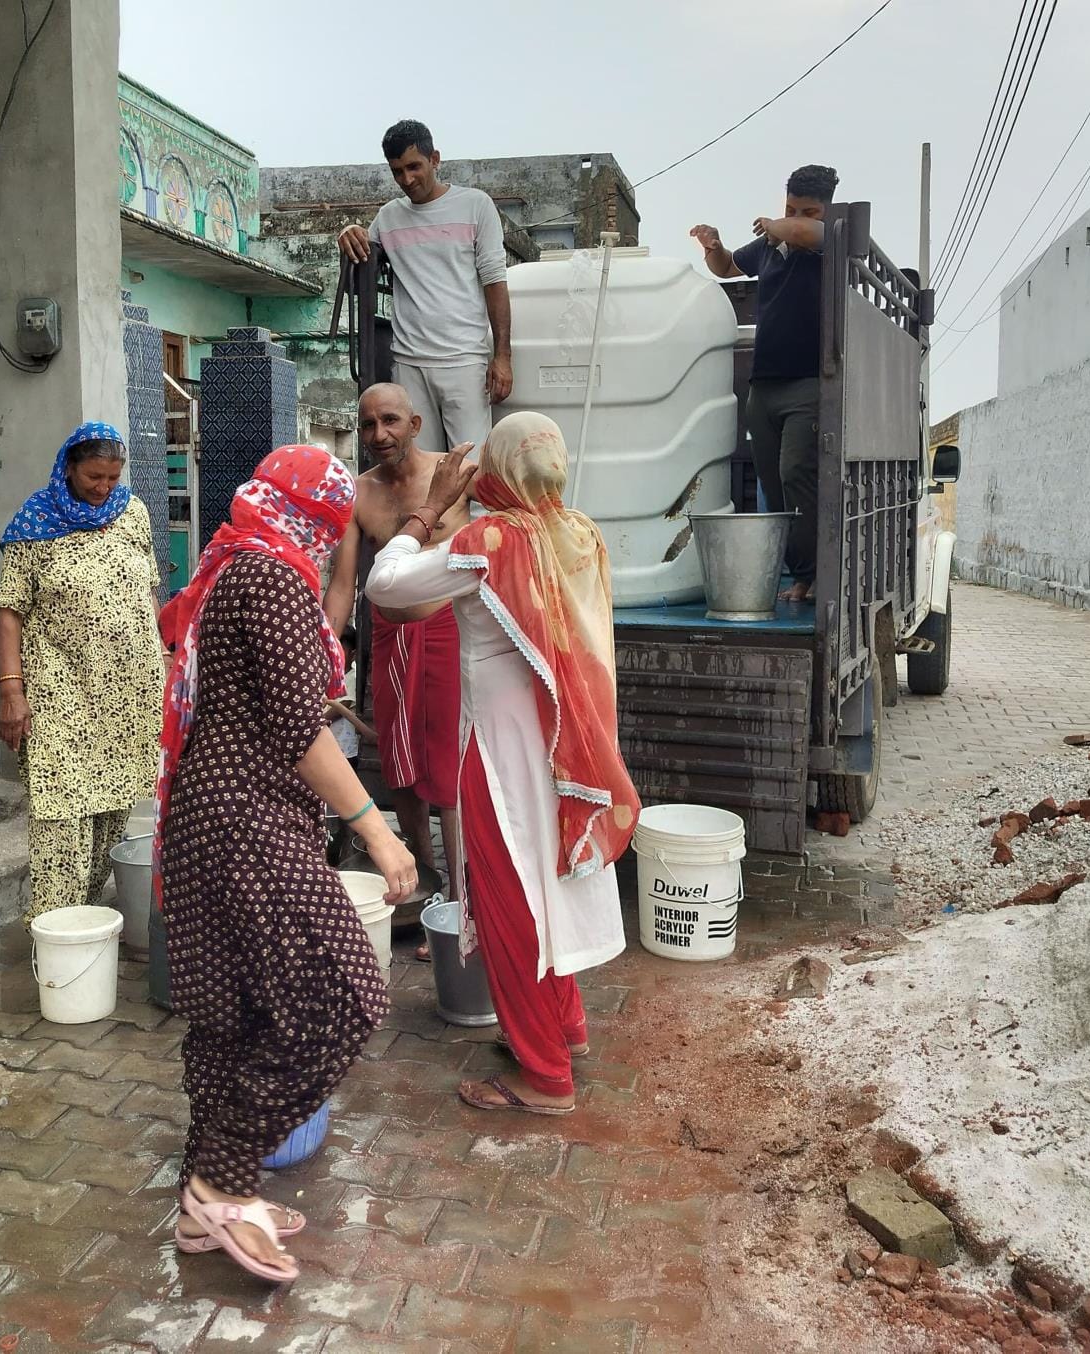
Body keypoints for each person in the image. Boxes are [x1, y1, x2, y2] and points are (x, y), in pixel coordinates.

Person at [156, 444, 417, 1285]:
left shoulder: (243, 560)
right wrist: (378, 831)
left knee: (231, 1014)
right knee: (344, 991)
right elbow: (302, 729)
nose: (336, 540)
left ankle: (202, 1206)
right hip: (246, 817)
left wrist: (343, 556)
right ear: (314, 519)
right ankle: (223, 1178)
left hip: (211, 815)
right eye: (335, 527)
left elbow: (312, 649)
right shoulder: (269, 578)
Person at [365, 412, 640, 1115]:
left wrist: (429, 509)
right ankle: (564, 1030)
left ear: (497, 469)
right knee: (548, 889)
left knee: (510, 902)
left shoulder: (492, 541)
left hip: (502, 754)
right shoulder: (577, 533)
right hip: (566, 754)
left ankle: (545, 1077)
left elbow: (385, 584)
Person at [0, 422, 163, 925]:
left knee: (114, 811)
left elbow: (149, 591)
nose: (104, 487)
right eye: (94, 476)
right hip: (60, 689)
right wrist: (10, 690)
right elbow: (9, 612)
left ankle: (82, 923)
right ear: (68, 468)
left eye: (113, 477)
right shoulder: (36, 522)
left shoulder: (133, 512)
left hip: (129, 690)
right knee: (60, 813)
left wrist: (164, 657)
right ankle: (54, 926)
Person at [324, 385, 470, 936]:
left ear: (414, 424)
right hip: (388, 637)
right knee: (399, 764)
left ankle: (461, 904)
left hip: (449, 630)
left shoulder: (455, 475)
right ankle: (425, 886)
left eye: (389, 421)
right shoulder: (358, 493)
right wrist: (322, 659)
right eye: (367, 425)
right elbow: (343, 585)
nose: (378, 435)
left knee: (449, 770)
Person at [691, 164, 838, 602]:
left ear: (826, 212)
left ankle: (814, 575)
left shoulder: (831, 242)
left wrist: (780, 225)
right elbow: (727, 267)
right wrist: (713, 246)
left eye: (808, 211)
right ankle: (797, 574)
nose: (796, 218)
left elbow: (809, 234)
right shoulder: (769, 248)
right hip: (764, 386)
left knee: (797, 475)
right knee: (772, 486)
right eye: (790, 208)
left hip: (807, 385)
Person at [338, 119, 512, 455]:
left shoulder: (476, 205)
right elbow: (362, 257)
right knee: (417, 467)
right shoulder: (388, 217)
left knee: (470, 466)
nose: (407, 179)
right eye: (397, 171)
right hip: (409, 363)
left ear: (435, 159)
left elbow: (494, 281)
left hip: (464, 361)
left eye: (414, 167)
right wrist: (348, 232)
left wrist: (503, 357)